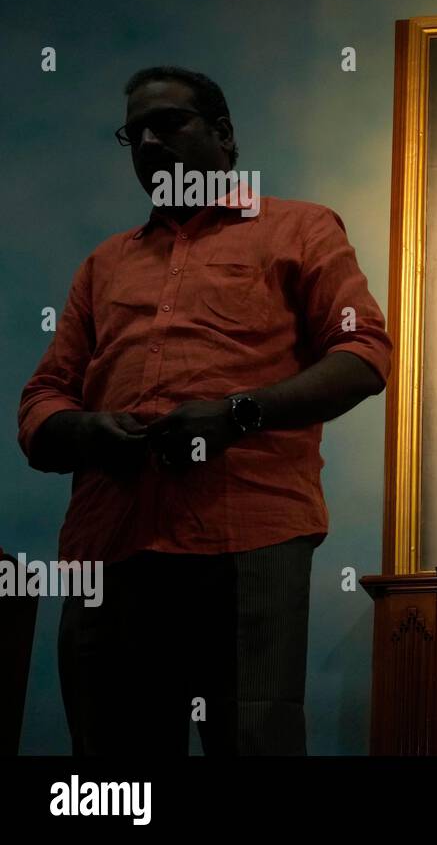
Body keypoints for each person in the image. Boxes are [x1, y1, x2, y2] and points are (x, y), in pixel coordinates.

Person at [17, 66, 391, 755]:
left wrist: (237, 414)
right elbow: (42, 404)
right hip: (110, 546)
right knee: (112, 772)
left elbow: (364, 355)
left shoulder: (301, 228)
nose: (150, 141)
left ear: (224, 136)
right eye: (136, 132)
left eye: (169, 123)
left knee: (254, 739)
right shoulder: (103, 266)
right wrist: (90, 431)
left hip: (248, 533)